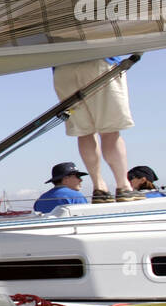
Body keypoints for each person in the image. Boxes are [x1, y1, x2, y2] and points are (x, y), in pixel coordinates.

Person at [52, 57, 143, 202]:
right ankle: (124, 187)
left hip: (62, 70)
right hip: (99, 62)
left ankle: (99, 187)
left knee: (84, 132)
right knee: (110, 131)